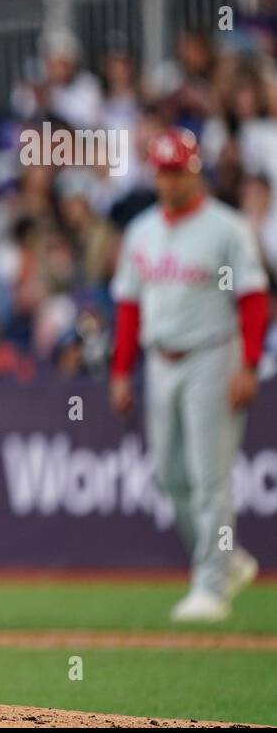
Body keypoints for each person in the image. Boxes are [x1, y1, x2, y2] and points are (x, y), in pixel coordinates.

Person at [109, 128, 270, 622]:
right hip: (161, 360)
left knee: (210, 478)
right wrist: (120, 370)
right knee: (170, 475)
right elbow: (130, 306)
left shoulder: (226, 227)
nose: (167, 180)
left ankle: (211, 585)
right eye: (161, 171)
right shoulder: (142, 230)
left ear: (194, 171)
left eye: (176, 170)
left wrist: (248, 363)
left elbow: (254, 300)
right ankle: (230, 560)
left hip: (212, 355)